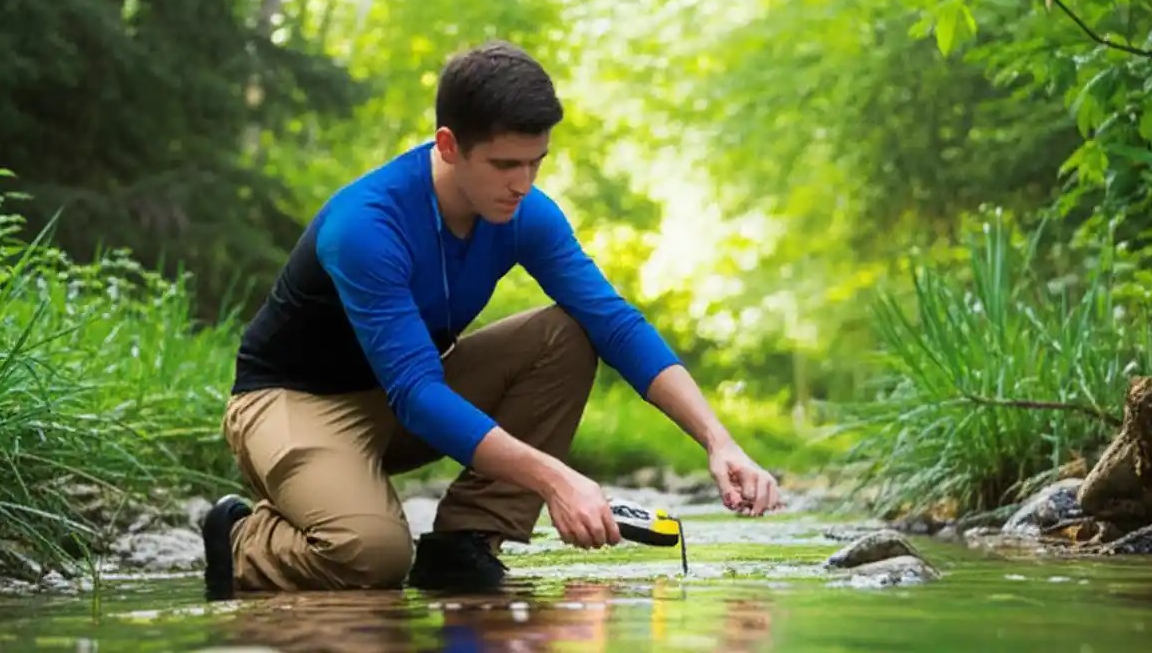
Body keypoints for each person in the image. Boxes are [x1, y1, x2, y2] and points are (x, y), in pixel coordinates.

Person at [200, 40, 781, 600]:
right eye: (506, 164)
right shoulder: (366, 227)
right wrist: (554, 478)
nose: (523, 184)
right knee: (373, 556)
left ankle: (465, 540)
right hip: (292, 402)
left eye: (536, 163)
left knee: (568, 334)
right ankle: (243, 539)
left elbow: (616, 324)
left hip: (400, 396)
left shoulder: (525, 212)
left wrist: (718, 440)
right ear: (449, 145)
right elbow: (419, 394)